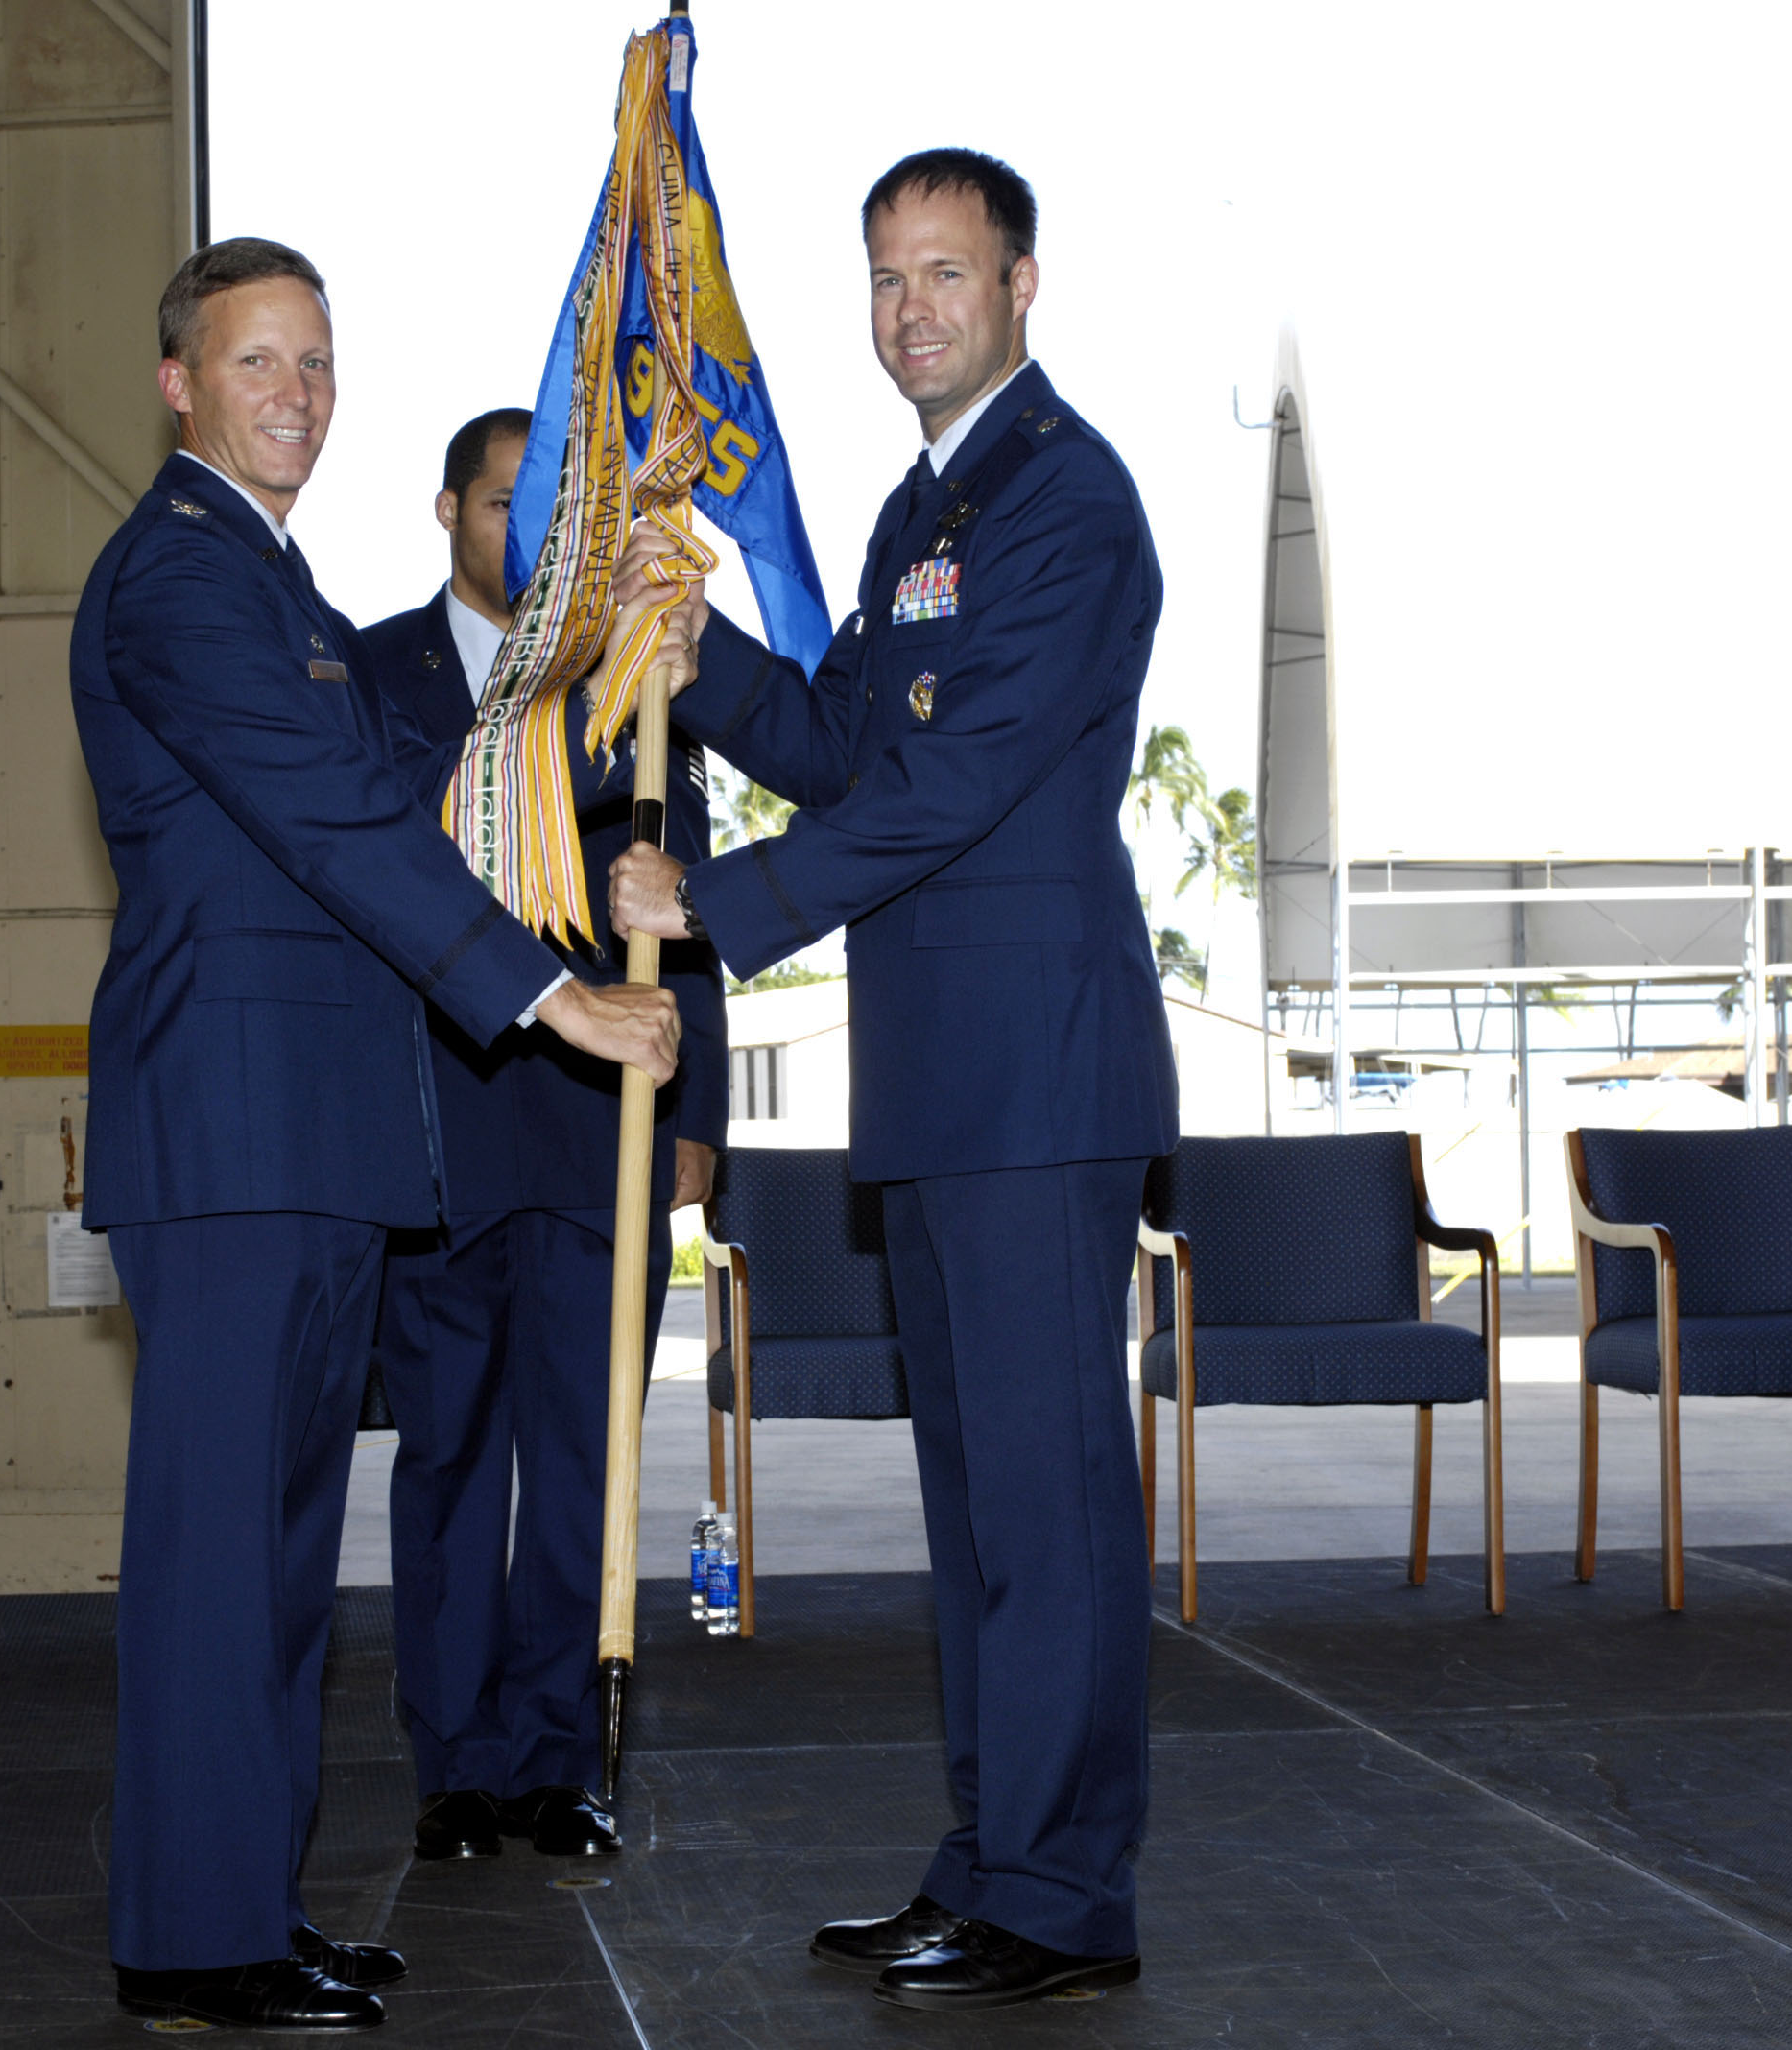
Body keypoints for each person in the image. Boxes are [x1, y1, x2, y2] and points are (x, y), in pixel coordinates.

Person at [71, 237, 682, 2036]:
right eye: (258, 361)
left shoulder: (283, 589)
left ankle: (243, 1908)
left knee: (272, 1570)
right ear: (181, 381)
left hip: (315, 1146)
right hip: (235, 1142)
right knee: (216, 1564)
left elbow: (423, 811)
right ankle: (190, 1937)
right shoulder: (181, 580)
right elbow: (344, 820)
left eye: (318, 363)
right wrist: (549, 997)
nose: (297, 393)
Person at [607, 149, 1174, 2013]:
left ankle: (1063, 1892)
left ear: (1022, 285)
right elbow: (853, 737)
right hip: (940, 1083)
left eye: (945, 272)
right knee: (978, 1514)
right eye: (884, 278)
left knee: (1050, 1509)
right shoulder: (923, 510)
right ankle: (991, 1852)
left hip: (1034, 1082)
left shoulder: (1068, 504)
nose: (910, 308)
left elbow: (964, 780)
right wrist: (698, 661)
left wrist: (719, 904)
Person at [360, 408, 729, 1865]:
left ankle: (559, 1755)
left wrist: (695, 1118)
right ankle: (456, 1763)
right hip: (437, 1129)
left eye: (548, 511)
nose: (522, 534)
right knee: (448, 1453)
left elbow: (674, 896)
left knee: (583, 1451)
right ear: (447, 508)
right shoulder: (368, 674)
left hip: (599, 1132)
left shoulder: (626, 681)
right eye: (500, 503)